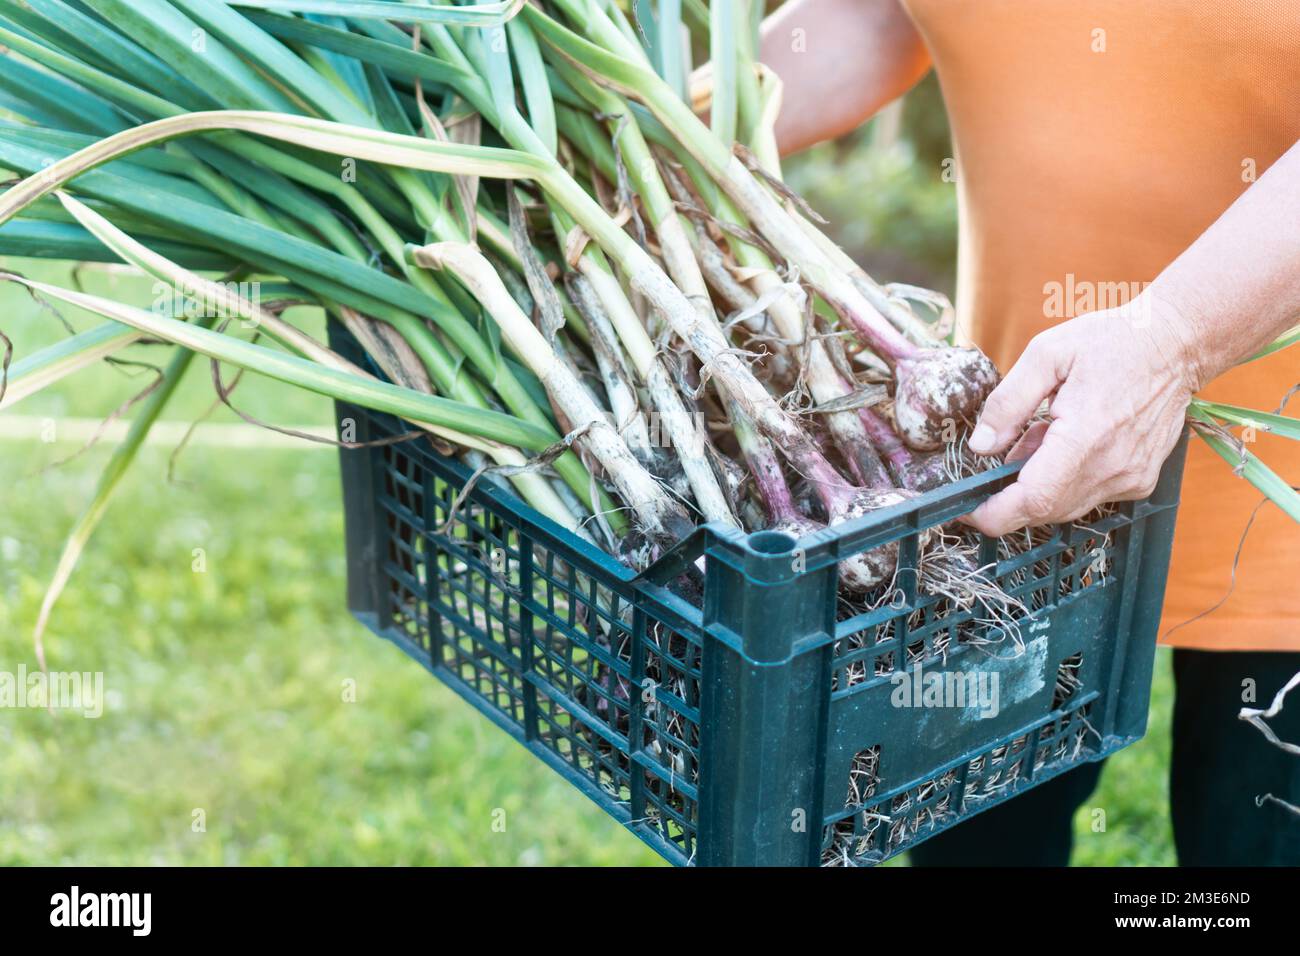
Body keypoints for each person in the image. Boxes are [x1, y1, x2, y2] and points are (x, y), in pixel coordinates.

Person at [762, 0, 1300, 865]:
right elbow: (874, 14)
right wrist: (637, 119)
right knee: (979, 846)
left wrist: (1173, 338)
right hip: (1009, 474)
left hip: (1283, 499)